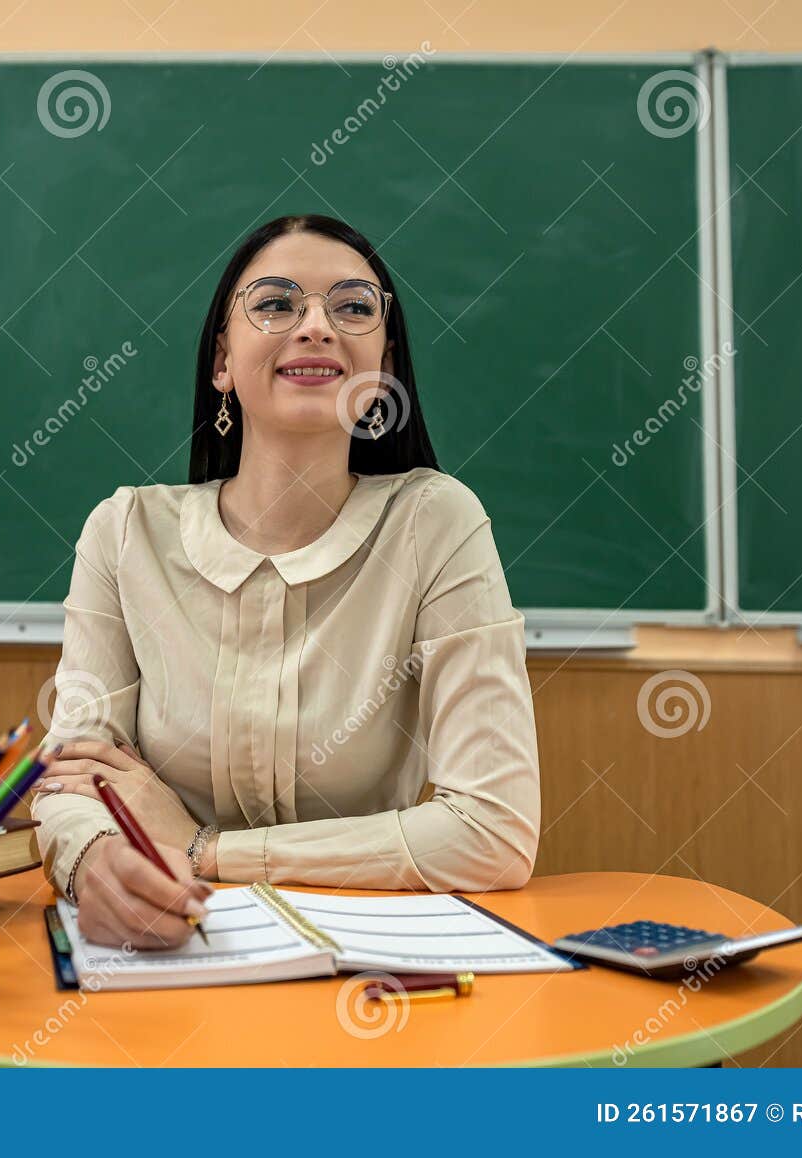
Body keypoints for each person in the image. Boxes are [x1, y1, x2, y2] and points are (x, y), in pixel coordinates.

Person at [31, 213, 540, 949]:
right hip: (172, 953)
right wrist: (97, 862)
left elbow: (493, 831)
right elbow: (73, 777)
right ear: (221, 363)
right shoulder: (123, 533)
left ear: (384, 367)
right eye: (275, 303)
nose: (316, 327)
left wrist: (206, 850)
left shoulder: (436, 522)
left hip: (372, 968)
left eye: (353, 307)